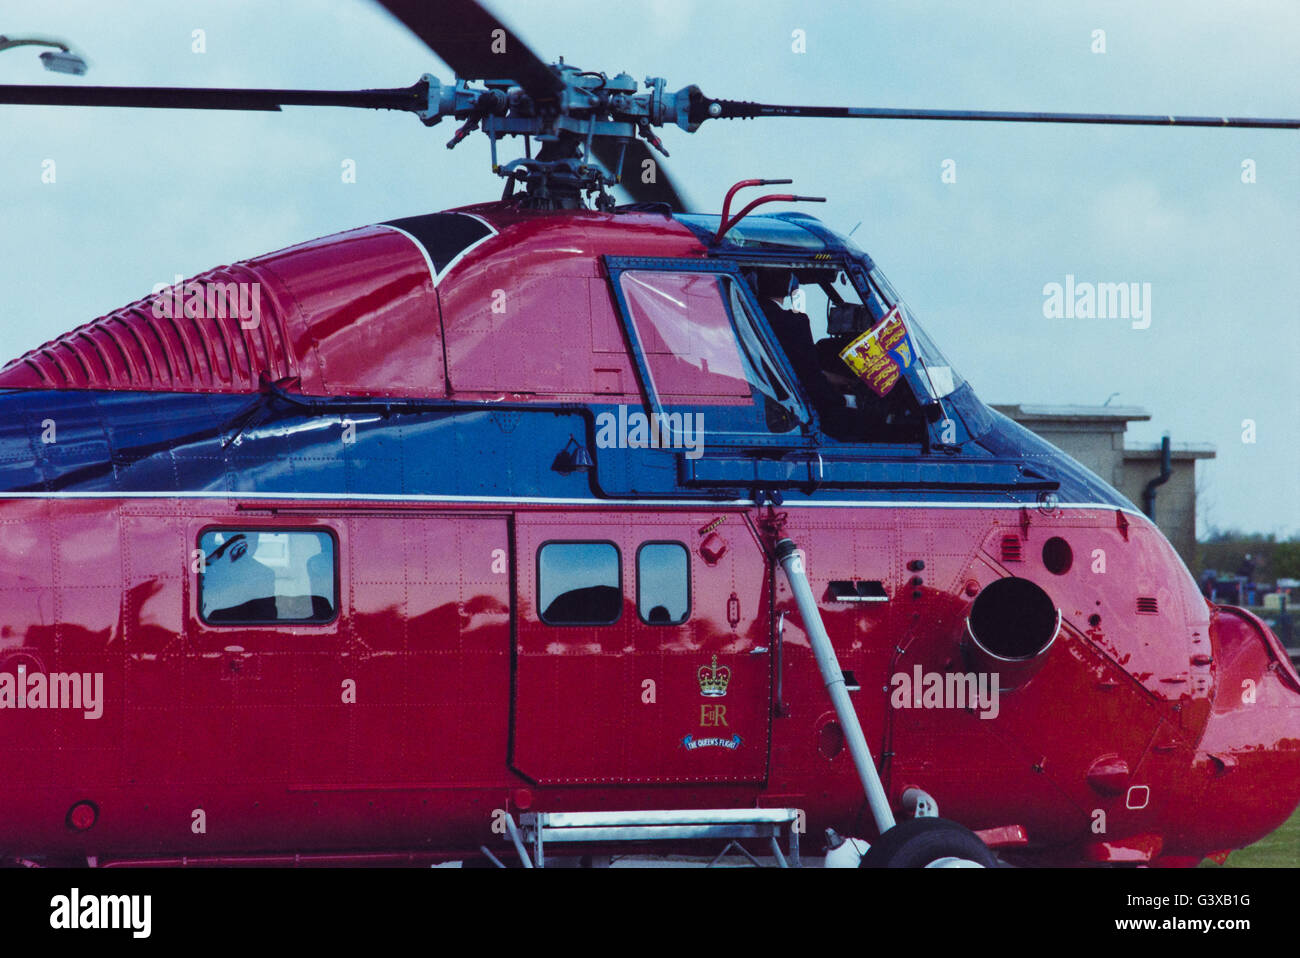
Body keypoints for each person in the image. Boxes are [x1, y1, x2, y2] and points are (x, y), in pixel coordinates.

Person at [751, 270, 854, 436]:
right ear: (792, 286)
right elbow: (809, 377)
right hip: (789, 411)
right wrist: (845, 400)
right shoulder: (794, 322)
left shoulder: (748, 314)